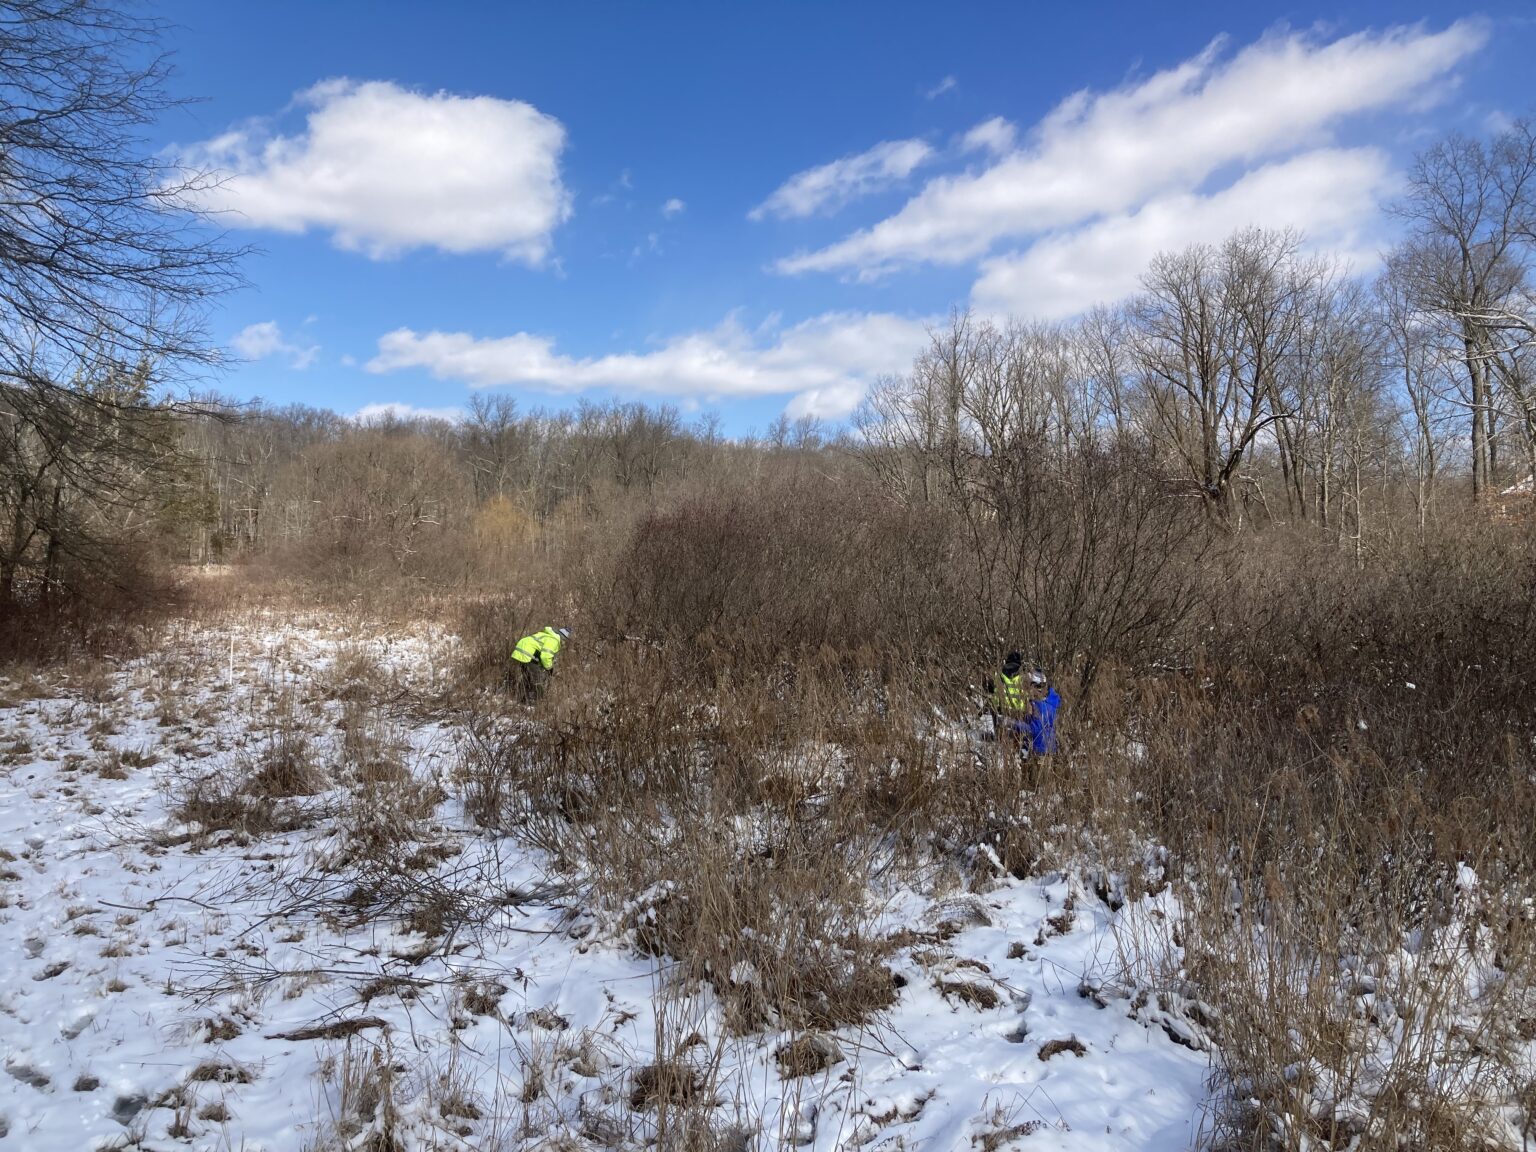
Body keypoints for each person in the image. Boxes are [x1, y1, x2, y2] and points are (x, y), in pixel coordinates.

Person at [987, 652, 1060, 756]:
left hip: (1000, 707)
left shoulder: (998, 675)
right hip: (1020, 709)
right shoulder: (1050, 701)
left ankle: (1003, 744)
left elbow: (1034, 729)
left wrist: (1011, 722)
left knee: (1005, 731)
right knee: (1017, 735)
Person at [510, 625, 570, 702]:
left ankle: (519, 697)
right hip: (528, 653)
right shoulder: (554, 640)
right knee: (537, 679)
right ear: (563, 638)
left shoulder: (548, 635)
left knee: (527, 677)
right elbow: (545, 656)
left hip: (521, 650)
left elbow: (540, 653)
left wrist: (543, 666)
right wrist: (549, 668)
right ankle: (535, 701)